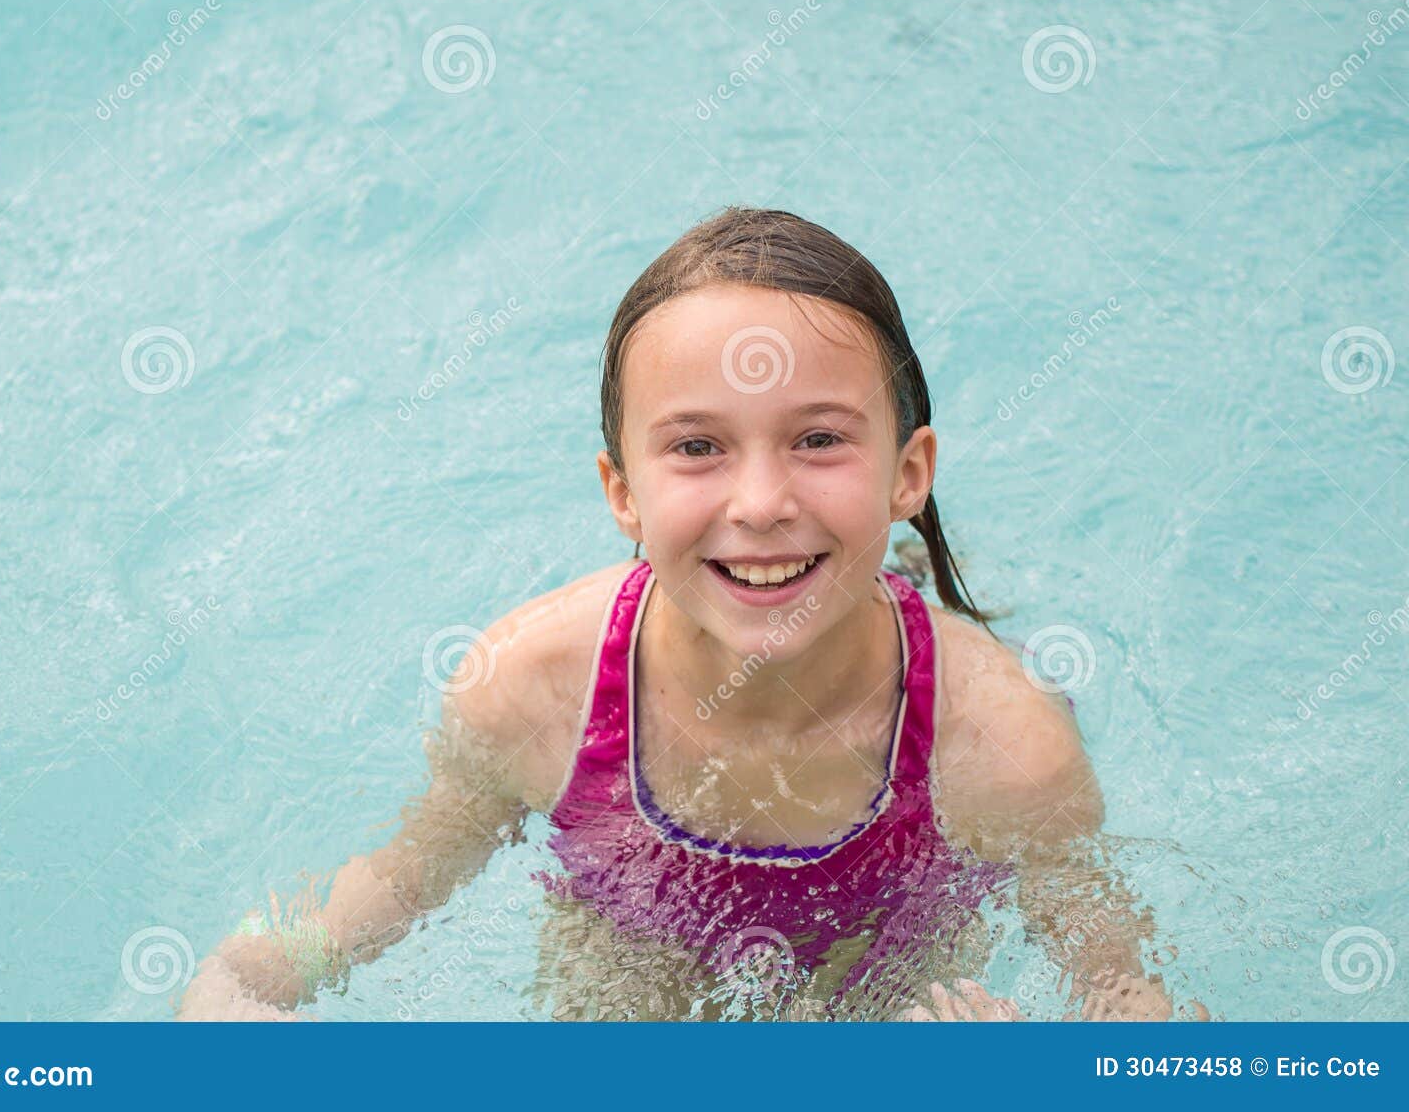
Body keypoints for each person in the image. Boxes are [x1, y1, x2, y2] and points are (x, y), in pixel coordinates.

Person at [177, 207, 1203, 1022]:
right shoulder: (536, 689)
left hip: (884, 1004)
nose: (760, 502)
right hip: (629, 984)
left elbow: (1120, 994)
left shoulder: (1001, 747)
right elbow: (399, 879)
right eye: (697, 448)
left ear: (908, 472)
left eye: (817, 440)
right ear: (620, 489)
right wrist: (243, 979)